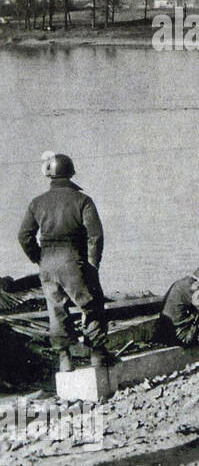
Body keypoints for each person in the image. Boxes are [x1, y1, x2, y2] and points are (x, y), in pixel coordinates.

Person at [17, 153, 109, 372]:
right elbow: (95, 236)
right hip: (73, 260)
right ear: (70, 173)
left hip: (47, 262)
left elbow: (24, 236)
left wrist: (38, 258)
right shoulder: (82, 200)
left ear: (49, 175)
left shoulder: (37, 202)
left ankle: (64, 359)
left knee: (56, 311)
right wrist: (93, 264)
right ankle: (98, 356)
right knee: (92, 305)